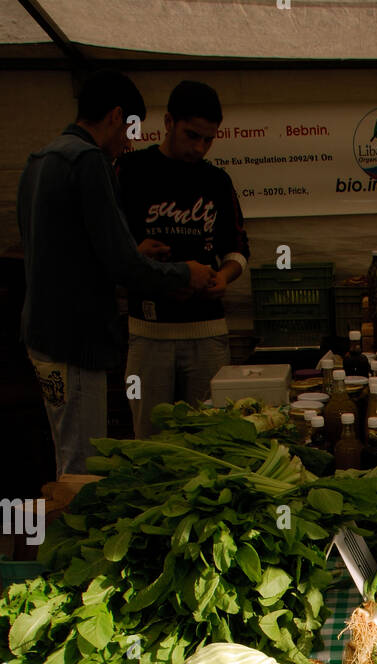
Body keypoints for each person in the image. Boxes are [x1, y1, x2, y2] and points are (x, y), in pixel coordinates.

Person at [17, 70, 214, 477]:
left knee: (66, 450)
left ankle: (62, 527)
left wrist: (125, 253)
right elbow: (123, 264)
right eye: (130, 130)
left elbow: (53, 248)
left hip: (42, 337)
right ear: (117, 115)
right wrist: (184, 274)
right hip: (76, 338)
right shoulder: (89, 161)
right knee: (84, 464)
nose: (127, 143)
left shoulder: (42, 159)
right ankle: (75, 537)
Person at [117, 81, 251, 437]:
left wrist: (225, 276)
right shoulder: (129, 171)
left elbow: (238, 248)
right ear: (169, 122)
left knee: (210, 437)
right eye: (192, 135)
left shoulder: (217, 181)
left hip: (207, 335)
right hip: (147, 334)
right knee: (148, 437)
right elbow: (107, 246)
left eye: (208, 139)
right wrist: (136, 254)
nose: (199, 147)